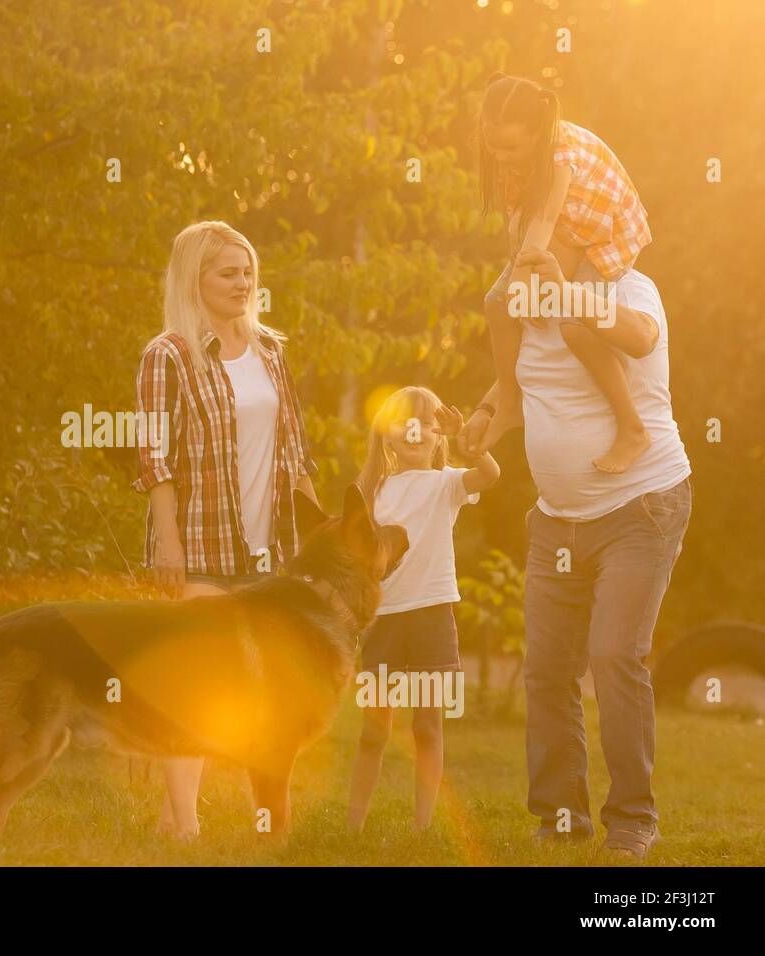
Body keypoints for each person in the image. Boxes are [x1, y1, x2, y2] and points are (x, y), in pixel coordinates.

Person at [461, 248, 691, 859]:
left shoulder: (631, 289)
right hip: (556, 521)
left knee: (614, 654)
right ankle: (561, 819)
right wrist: (488, 413)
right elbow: (520, 375)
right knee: (546, 669)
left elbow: (640, 337)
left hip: (641, 508)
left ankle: (632, 821)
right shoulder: (527, 306)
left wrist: (566, 293)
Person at [133, 220, 318, 839]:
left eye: (247, 272)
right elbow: (154, 456)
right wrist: (168, 540)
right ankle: (186, 827)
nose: (242, 283)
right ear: (196, 279)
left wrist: (315, 540)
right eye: (227, 273)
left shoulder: (270, 351)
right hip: (201, 538)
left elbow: (293, 448)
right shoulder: (168, 355)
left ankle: (174, 814)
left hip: (269, 544)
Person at [478, 73, 653, 474]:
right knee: (496, 305)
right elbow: (521, 215)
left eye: (510, 146)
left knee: (577, 326)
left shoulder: (562, 152)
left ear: (538, 131)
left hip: (603, 234)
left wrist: (527, 272)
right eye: (493, 144)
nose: (500, 154)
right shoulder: (512, 154)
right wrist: (521, 270)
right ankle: (508, 404)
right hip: (564, 232)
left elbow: (546, 214)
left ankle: (632, 427)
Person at [347, 387, 499, 832]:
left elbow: (490, 475)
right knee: (374, 731)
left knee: (427, 729)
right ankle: (354, 827)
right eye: (403, 422)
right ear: (387, 438)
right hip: (383, 622)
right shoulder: (370, 492)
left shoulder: (448, 482)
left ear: (438, 436)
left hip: (432, 618)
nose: (414, 430)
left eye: (425, 423)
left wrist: (468, 443)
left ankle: (422, 827)